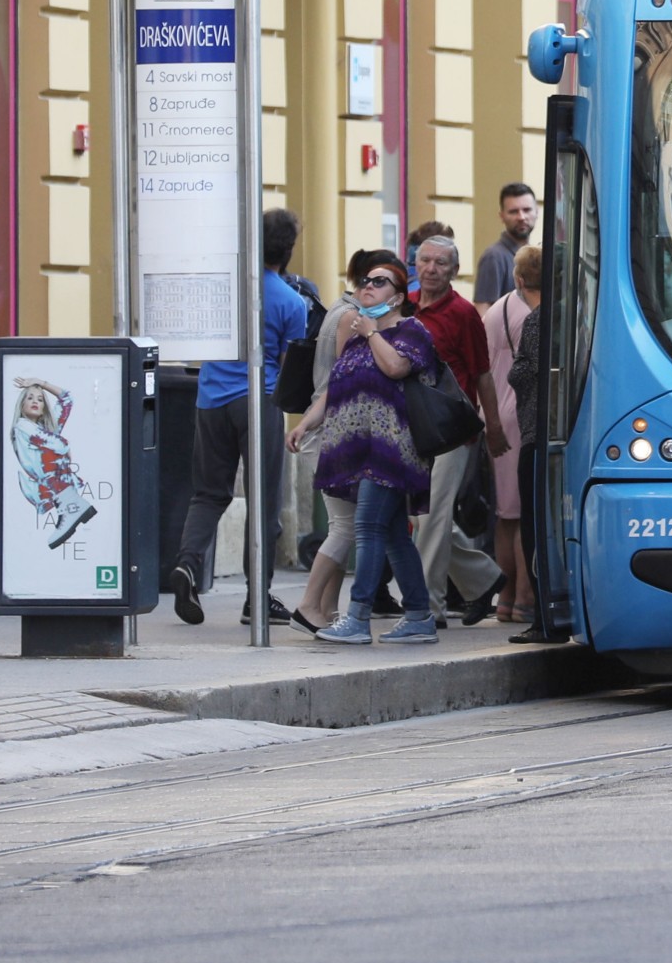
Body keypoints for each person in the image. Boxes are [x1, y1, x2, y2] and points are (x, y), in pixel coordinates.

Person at [167, 207, 312, 627]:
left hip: (209, 398)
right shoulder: (290, 302)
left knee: (208, 494)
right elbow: (288, 369)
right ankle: (258, 597)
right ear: (287, 250)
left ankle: (188, 565)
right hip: (260, 400)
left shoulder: (223, 292)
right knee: (263, 502)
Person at [287, 257, 443, 644]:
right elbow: (336, 389)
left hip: (392, 451)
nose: (368, 285)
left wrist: (373, 333)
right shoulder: (354, 340)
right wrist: (307, 422)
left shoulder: (412, 332)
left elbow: (395, 369)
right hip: (356, 453)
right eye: (365, 280)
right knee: (393, 535)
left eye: (380, 281)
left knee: (368, 527)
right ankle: (420, 616)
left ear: (398, 297)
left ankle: (357, 618)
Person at [406, 234, 508, 623]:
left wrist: (492, 427)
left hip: (452, 429)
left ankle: (428, 608)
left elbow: (483, 373)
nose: (431, 269)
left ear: (454, 270)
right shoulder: (405, 306)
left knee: (431, 517)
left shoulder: (464, 314)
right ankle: (482, 578)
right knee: (426, 518)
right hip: (411, 428)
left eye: (440, 263)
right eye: (425, 261)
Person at [482, 244, 539, 623]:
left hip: (495, 413)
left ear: (517, 277)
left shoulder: (497, 310)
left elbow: (483, 367)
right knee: (525, 512)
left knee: (505, 514)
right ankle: (524, 598)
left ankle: (504, 597)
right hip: (524, 413)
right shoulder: (536, 315)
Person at [504, 249, 559, 646]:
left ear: (520, 282)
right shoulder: (574, 312)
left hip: (537, 435)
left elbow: (526, 374)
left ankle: (543, 618)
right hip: (559, 433)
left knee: (534, 528)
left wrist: (513, 369)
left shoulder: (538, 320)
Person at [9, 377, 95, 548]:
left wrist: (42, 383)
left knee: (51, 449)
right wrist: (64, 445)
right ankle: (71, 504)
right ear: (21, 404)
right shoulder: (22, 426)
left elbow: (66, 400)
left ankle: (71, 505)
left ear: (43, 408)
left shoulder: (44, 428)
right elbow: (59, 444)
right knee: (51, 451)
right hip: (49, 479)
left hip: (54, 480)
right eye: (30, 398)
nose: (35, 401)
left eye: (40, 399)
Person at [473, 183, 536, 307]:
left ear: (537, 212)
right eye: (513, 212)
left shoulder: (535, 256)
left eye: (527, 210)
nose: (521, 217)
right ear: (502, 216)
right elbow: (482, 310)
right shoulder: (494, 257)